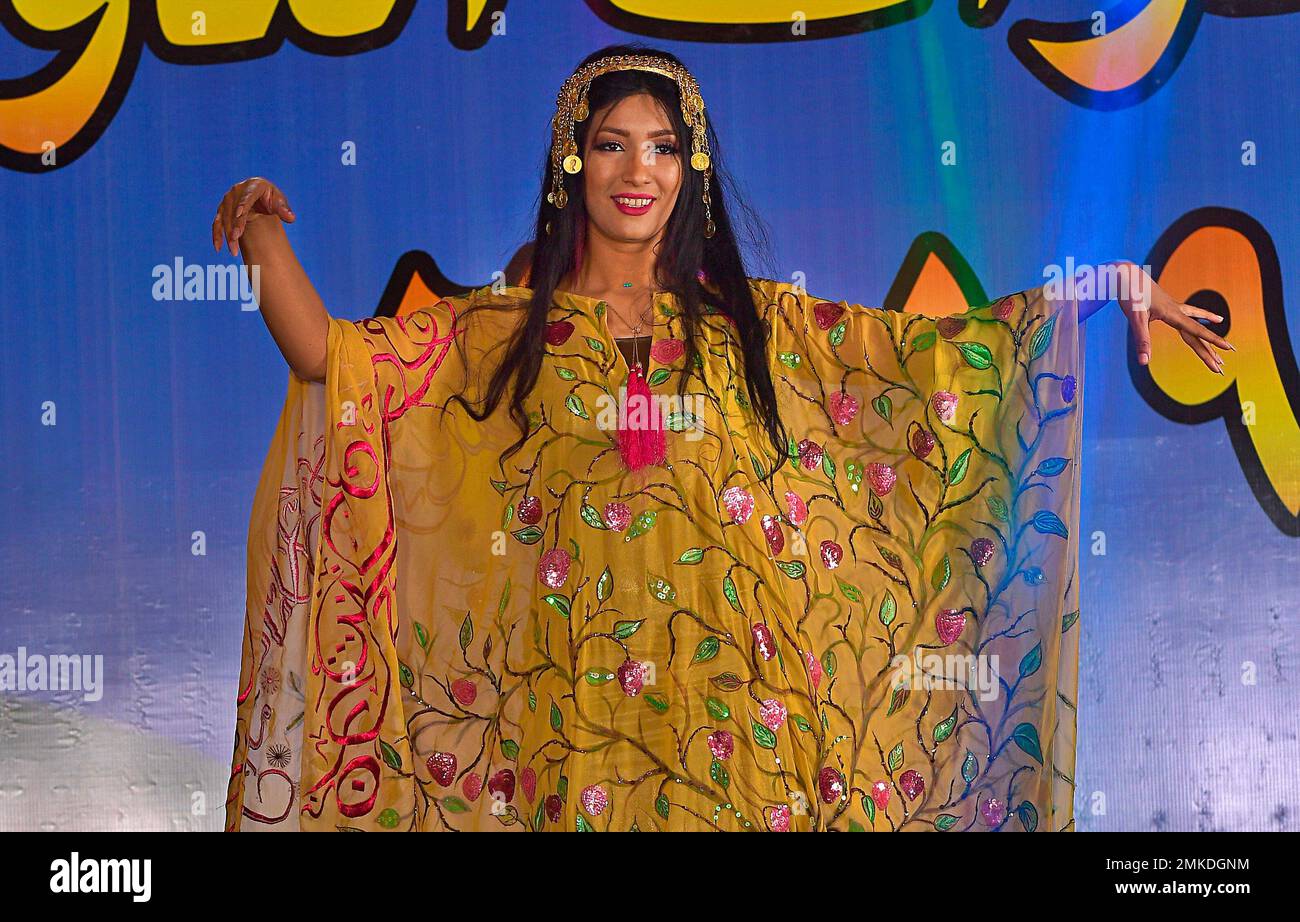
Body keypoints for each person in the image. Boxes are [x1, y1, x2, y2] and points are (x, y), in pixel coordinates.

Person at [214, 45, 1231, 832]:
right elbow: (327, 359)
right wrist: (262, 233)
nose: (636, 170)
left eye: (662, 147)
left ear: (690, 167)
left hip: (747, 747)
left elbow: (939, 361)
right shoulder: (502, 335)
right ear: (573, 160)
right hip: (575, 752)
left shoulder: (761, 330)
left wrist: (1110, 285)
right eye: (611, 143)